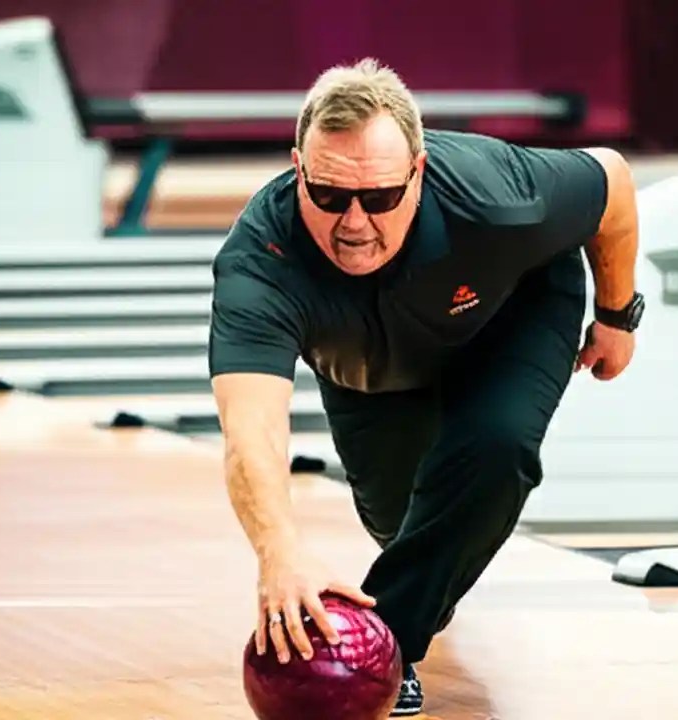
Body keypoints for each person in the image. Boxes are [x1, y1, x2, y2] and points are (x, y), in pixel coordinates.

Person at [208, 58, 643, 716]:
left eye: (380, 198)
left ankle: (391, 645)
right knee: (401, 522)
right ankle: (413, 580)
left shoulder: (494, 192)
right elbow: (252, 430)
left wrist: (616, 315)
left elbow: (612, 181)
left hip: (510, 316)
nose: (355, 222)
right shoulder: (259, 262)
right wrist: (280, 553)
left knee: (495, 448)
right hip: (371, 369)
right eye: (330, 196)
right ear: (298, 169)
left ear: (418, 172)